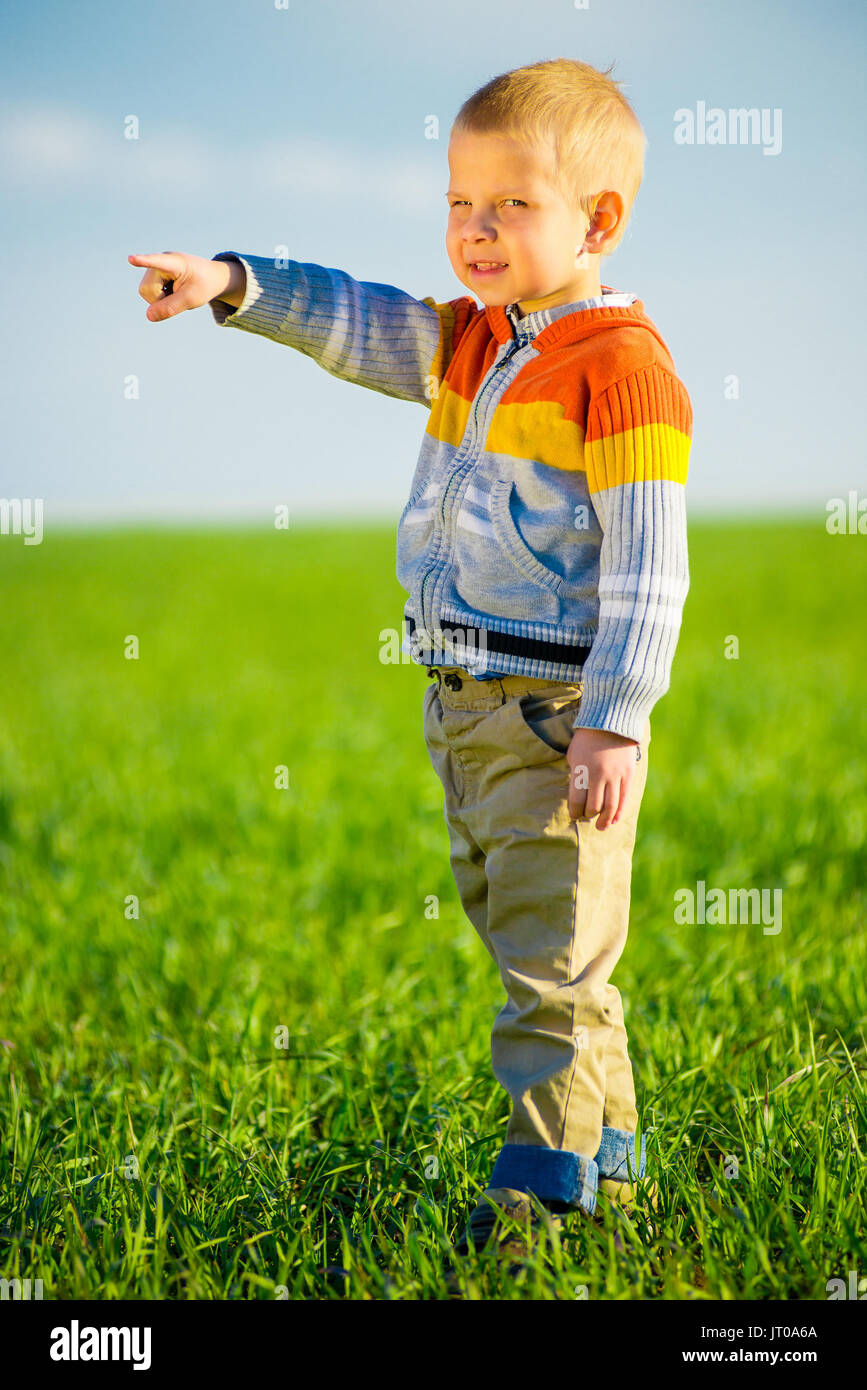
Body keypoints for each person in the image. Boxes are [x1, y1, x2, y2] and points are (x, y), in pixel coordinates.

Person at [129, 56, 692, 1267]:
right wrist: (234, 282)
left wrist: (617, 715)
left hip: (554, 719)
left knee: (549, 979)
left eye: (512, 205)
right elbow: (351, 318)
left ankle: (539, 1211)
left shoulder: (624, 369)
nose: (475, 230)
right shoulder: (468, 343)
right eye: (458, 202)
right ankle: (619, 1184)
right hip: (465, 711)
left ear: (599, 222)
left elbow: (652, 565)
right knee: (550, 962)